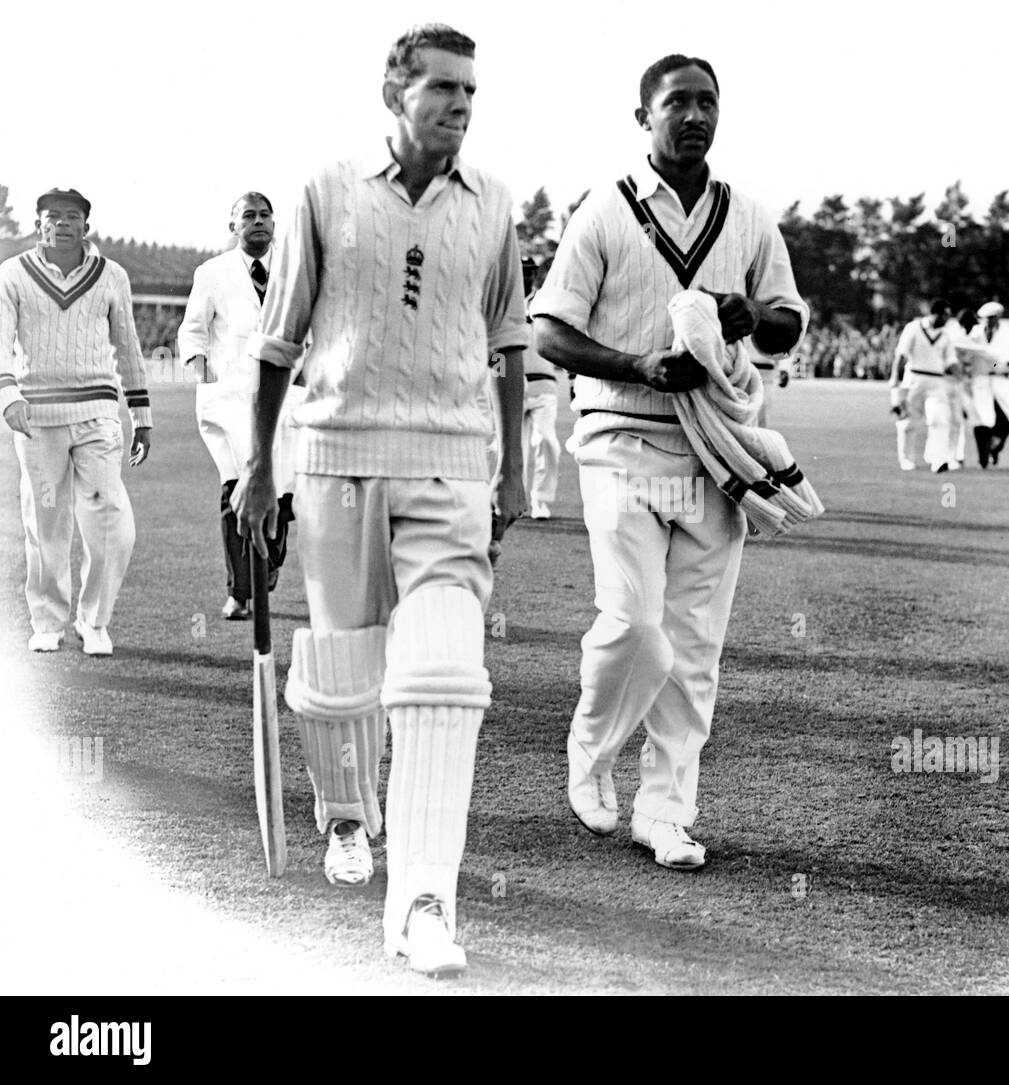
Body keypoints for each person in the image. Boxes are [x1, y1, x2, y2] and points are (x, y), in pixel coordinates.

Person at [234, 22, 528, 975]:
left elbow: (510, 342)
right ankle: (346, 815)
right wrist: (258, 466)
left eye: (472, 91)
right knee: (344, 678)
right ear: (394, 93)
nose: (461, 105)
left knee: (444, 677)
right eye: (443, 87)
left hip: (449, 463)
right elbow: (278, 346)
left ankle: (425, 899)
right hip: (334, 460)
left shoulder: (494, 203)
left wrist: (514, 467)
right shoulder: (324, 191)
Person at [531, 53, 806, 870]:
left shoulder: (748, 215)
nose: (694, 115)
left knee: (693, 646)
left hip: (717, 449)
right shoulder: (605, 212)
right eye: (676, 102)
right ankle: (592, 749)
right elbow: (550, 330)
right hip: (621, 436)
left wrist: (750, 312)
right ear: (642, 116)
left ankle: (666, 809)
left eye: (707, 102)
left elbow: (788, 322)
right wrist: (639, 365)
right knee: (636, 625)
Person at [0, 188, 152, 655]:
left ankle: (95, 621)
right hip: (37, 417)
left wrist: (141, 414)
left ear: (86, 226)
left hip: (98, 415)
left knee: (109, 519)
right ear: (38, 224)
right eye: (52, 217)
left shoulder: (112, 276)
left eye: (72, 217)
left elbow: (128, 345)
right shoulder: (12, 274)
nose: (62, 223)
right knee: (45, 522)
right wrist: (8, 393)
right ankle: (47, 621)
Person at [179, 192, 304, 619]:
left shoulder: (293, 271)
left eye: (265, 215)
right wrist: (206, 381)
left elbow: (309, 332)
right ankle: (240, 592)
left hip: (286, 403)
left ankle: (268, 563)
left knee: (282, 497)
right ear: (233, 226)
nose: (258, 222)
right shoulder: (212, 273)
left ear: (274, 223)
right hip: (230, 404)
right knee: (236, 490)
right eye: (248, 216)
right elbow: (193, 333)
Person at [888, 298, 960, 472]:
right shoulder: (913, 328)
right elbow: (902, 354)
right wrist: (895, 378)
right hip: (913, 379)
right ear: (935, 313)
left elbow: (951, 361)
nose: (947, 319)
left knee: (938, 419)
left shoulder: (946, 334)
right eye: (945, 315)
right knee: (908, 422)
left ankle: (937, 459)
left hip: (937, 381)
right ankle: (906, 459)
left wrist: (961, 378)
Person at [520, 257, 562, 518]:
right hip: (512, 386)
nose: (524, 277)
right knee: (513, 449)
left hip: (544, 384)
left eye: (529, 272)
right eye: (521, 272)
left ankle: (541, 500)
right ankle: (514, 499)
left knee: (546, 441)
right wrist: (498, 372)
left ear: (535, 274)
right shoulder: (505, 302)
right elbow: (493, 347)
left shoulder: (545, 302)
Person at [973, 301, 1009, 464]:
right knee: (982, 419)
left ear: (998, 317)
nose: (988, 321)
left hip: (1001, 379)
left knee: (1008, 416)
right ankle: (983, 455)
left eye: (991, 318)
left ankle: (995, 446)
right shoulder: (974, 333)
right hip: (981, 379)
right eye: (984, 318)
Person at [948, 306, 1000, 467]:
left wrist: (995, 365)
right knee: (954, 420)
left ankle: (960, 455)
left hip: (969, 383)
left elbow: (993, 358)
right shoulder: (956, 338)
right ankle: (952, 455)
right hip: (952, 381)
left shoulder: (975, 339)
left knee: (965, 420)